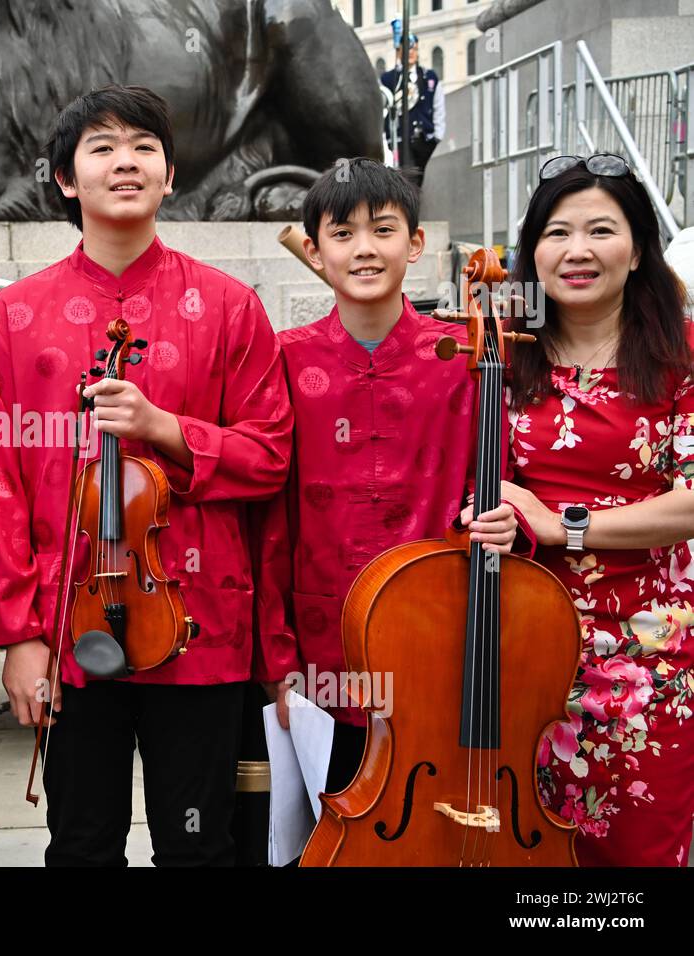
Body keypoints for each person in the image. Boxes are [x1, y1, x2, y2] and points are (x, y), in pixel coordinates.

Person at [0, 85, 293, 866]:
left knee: (198, 844)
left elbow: (270, 455)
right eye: (103, 147)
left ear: (169, 175)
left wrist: (166, 431)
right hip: (66, 626)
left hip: (201, 622)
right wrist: (20, 636)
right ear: (64, 179)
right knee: (82, 842)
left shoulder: (229, 307)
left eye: (144, 146)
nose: (126, 162)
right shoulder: (11, 316)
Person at [256, 157, 518, 796]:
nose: (365, 249)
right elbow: (267, 525)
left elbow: (499, 491)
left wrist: (506, 521)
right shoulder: (284, 359)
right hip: (324, 648)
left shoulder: (464, 360)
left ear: (417, 243)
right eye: (342, 234)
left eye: (384, 229)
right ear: (314, 252)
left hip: (444, 640)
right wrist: (280, 664)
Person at [499, 152, 694, 867]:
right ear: (533, 253)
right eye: (556, 232)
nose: (577, 250)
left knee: (638, 857)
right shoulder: (498, 357)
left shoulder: (683, 358)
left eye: (601, 230)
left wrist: (563, 525)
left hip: (652, 655)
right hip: (521, 652)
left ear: (639, 249)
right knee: (532, 860)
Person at [380, 34, 444, 186]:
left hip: (424, 141)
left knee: (416, 182)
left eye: (414, 49)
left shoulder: (430, 77)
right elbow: (381, 110)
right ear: (399, 51)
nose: (411, 53)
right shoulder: (388, 79)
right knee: (401, 183)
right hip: (397, 141)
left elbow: (438, 107)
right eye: (407, 49)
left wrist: (436, 136)